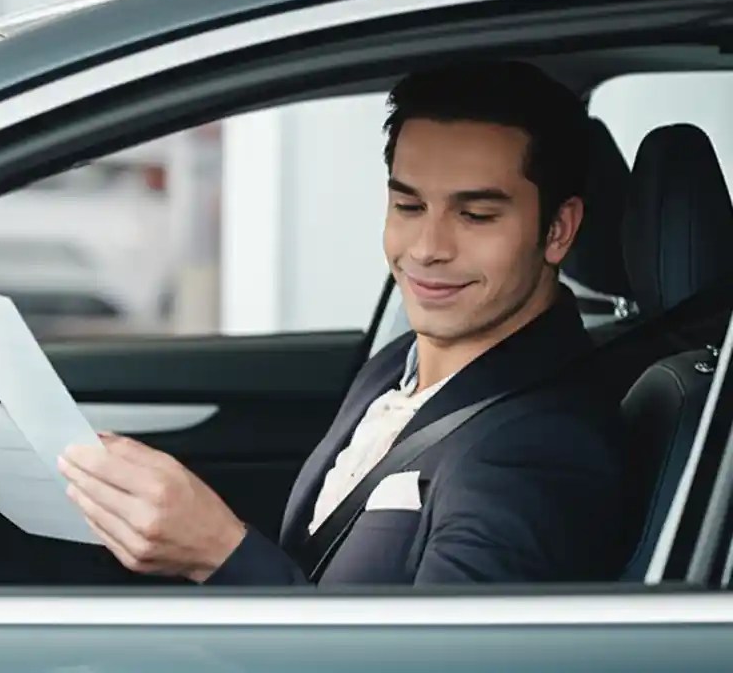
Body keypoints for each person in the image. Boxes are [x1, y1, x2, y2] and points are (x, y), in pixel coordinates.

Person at [57, 61, 628, 585]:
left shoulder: (540, 453)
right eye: (407, 207)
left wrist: (219, 551)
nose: (427, 248)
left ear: (557, 230)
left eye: (475, 215)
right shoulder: (395, 366)